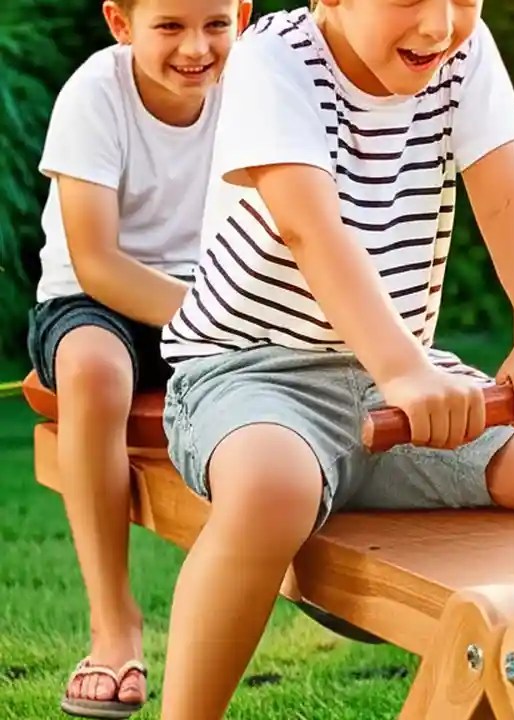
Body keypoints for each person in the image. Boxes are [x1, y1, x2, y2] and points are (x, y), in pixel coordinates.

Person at [154, 0, 514, 715]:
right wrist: (403, 371)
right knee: (273, 486)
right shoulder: (271, 59)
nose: (438, 25)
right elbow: (311, 229)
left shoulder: (462, 56)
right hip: (249, 371)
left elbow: (505, 192)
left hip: (401, 376)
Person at [28, 0, 251, 716]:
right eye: (170, 27)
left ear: (242, 15)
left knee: (288, 387)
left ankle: (335, 570)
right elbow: (95, 262)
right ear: (121, 24)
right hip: (94, 302)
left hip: (210, 300)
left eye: (216, 24)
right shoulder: (96, 93)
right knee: (96, 370)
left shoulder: (257, 90)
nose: (197, 47)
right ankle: (113, 625)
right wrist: (215, 316)